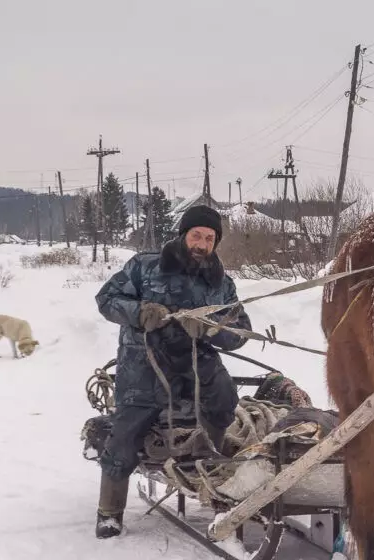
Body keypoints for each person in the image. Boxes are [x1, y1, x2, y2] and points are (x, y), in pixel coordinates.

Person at [92, 205, 251, 539]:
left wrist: (210, 329)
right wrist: (139, 313)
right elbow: (106, 298)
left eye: (210, 238)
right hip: (143, 363)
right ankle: (109, 510)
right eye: (197, 235)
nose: (202, 243)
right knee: (127, 429)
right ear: (183, 234)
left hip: (195, 363)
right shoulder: (144, 266)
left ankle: (207, 462)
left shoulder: (222, 283)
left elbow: (240, 332)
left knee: (223, 398)